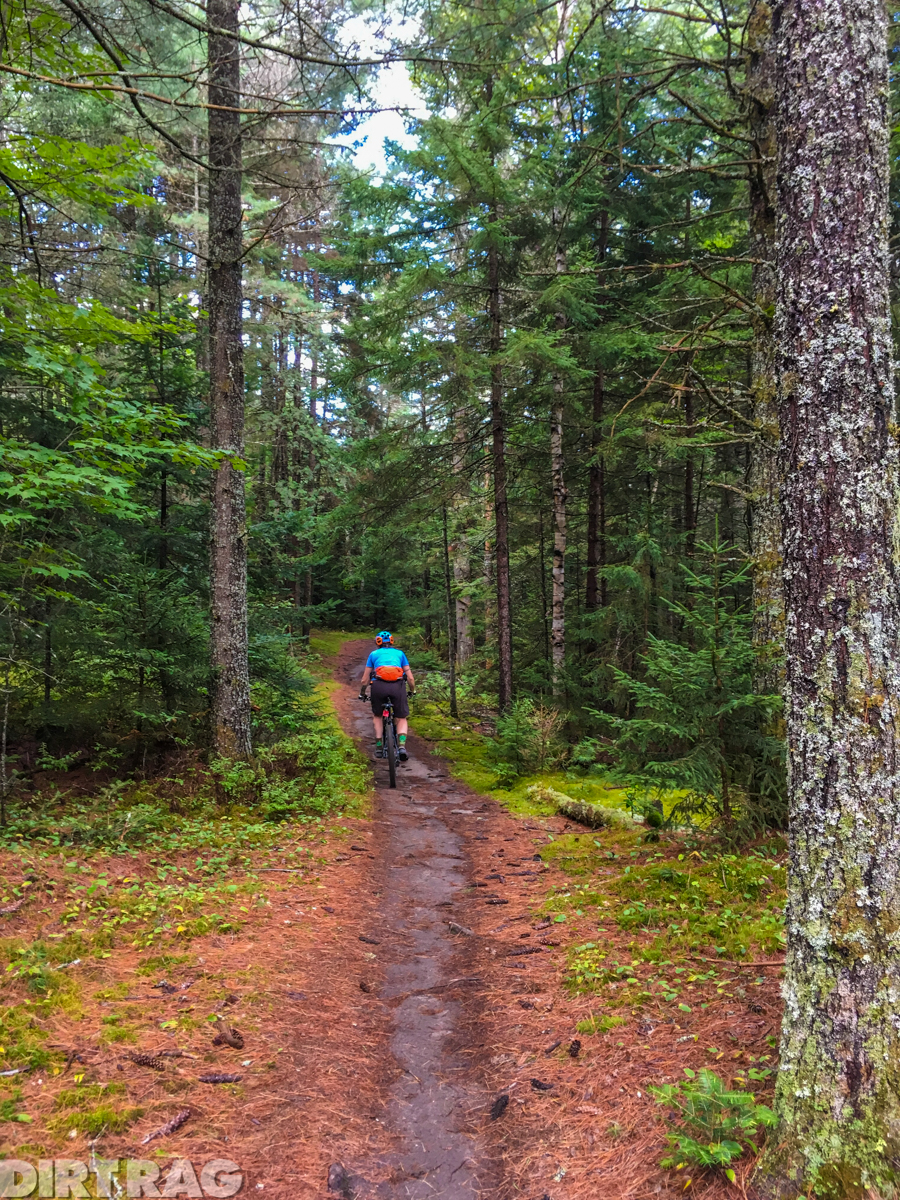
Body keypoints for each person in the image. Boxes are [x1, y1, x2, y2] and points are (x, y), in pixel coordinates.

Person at [358, 631, 416, 760]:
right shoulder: (400, 654)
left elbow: (364, 680)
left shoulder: (373, 654)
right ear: (392, 641)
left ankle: (379, 747)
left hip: (378, 686)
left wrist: (362, 693)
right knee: (401, 717)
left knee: (378, 715)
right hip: (397, 687)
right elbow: (410, 678)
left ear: (377, 642)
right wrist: (412, 690)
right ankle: (401, 746)